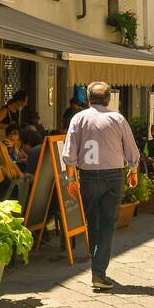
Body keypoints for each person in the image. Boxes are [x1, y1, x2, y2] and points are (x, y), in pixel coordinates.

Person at [62, 80, 139, 292]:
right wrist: (133, 171)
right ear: (108, 100)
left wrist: (70, 180)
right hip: (113, 176)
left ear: (88, 99)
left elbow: (69, 152)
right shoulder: (117, 119)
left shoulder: (78, 118)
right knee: (107, 224)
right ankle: (99, 272)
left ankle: (97, 267)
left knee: (92, 222)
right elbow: (131, 150)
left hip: (86, 177)